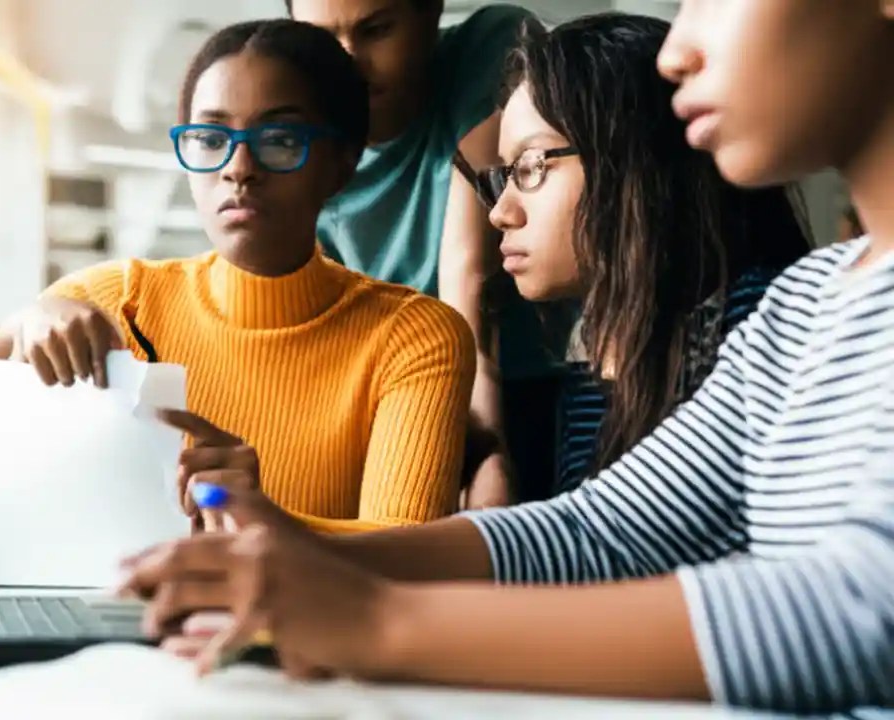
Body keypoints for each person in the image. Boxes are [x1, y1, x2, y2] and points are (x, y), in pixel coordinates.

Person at [120, 6, 894, 714]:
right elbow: (605, 530)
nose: (678, 48)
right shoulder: (806, 303)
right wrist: (301, 545)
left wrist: (375, 619)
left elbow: (865, 609)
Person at [0, 20, 475, 533]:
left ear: (342, 163)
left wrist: (267, 522)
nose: (239, 167)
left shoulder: (414, 337)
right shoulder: (111, 304)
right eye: (209, 138)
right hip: (107, 612)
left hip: (304, 617)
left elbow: (409, 551)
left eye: (279, 139)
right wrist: (19, 328)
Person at [464, 16, 810, 494]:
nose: (501, 212)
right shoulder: (595, 351)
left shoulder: (760, 325)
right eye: (506, 175)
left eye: (531, 166)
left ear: (630, 162)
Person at [284, 0, 548, 508]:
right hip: (402, 405)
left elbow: (469, 270)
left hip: (518, 381)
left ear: (432, 12)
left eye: (377, 29)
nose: (348, 61)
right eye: (321, 40)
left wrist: (488, 449)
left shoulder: (493, 44)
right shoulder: (299, 139)